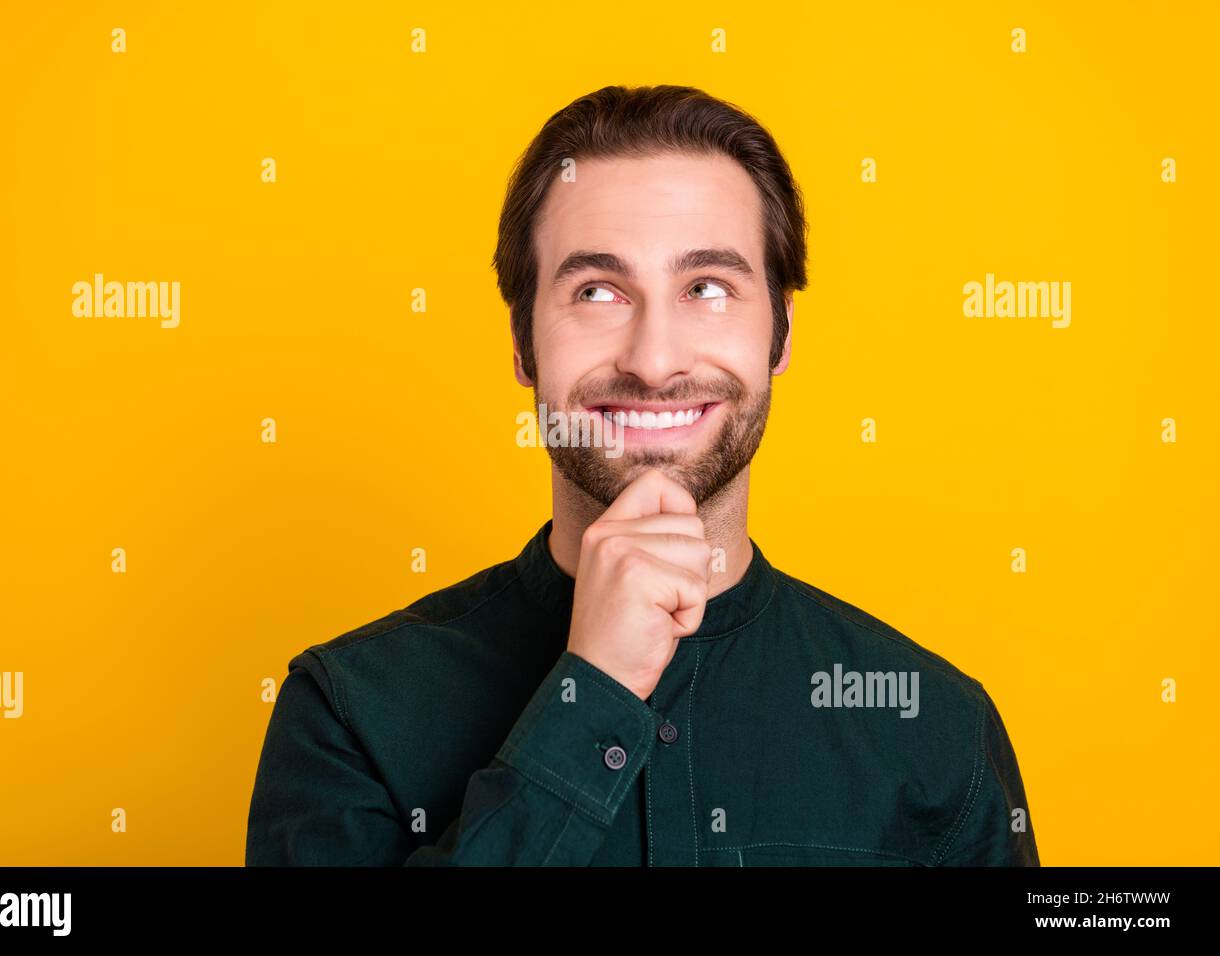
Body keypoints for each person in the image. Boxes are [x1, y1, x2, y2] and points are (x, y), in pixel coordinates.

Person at [245, 84, 1040, 866]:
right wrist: (591, 691)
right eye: (597, 291)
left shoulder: (934, 730)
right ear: (522, 345)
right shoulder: (349, 714)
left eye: (707, 288)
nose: (654, 361)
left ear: (782, 334)